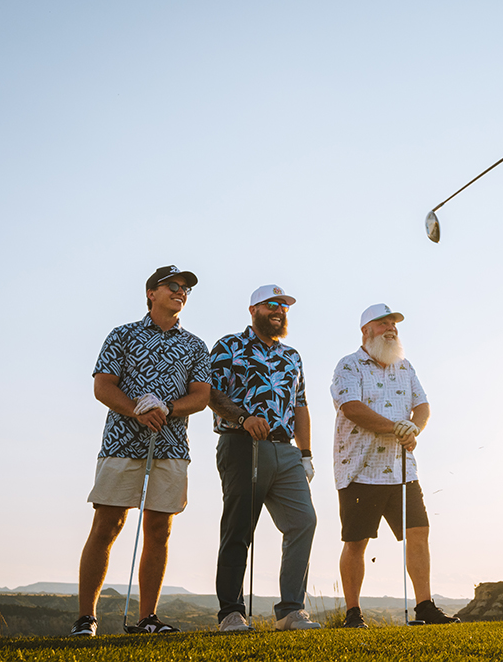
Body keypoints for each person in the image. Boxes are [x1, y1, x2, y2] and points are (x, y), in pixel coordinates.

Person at [71, 265, 211, 637]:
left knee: (159, 530)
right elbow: (103, 386)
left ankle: (148, 617)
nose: (180, 292)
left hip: (171, 448)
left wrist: (167, 408)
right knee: (107, 526)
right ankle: (87, 618)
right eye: (173, 286)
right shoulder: (122, 335)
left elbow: (201, 395)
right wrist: (137, 407)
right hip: (121, 443)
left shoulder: (195, 345)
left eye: (185, 289)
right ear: (151, 293)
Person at [329, 304, 460, 628]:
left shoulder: (405, 365)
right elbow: (352, 408)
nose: (391, 328)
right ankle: (353, 613)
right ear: (366, 331)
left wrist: (414, 427)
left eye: (394, 324)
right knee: (357, 542)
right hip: (359, 469)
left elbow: (423, 405)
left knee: (419, 531)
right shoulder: (349, 365)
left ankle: (425, 606)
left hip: (402, 470)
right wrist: (396, 427)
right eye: (383, 323)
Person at [208, 284, 320, 632]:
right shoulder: (229, 346)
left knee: (304, 521)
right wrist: (243, 417)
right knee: (239, 529)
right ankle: (231, 612)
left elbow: (300, 405)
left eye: (284, 306)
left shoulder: (292, 356)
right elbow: (209, 392)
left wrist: (306, 454)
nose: (279, 310)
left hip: (285, 450)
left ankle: (290, 610)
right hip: (241, 444)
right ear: (253, 309)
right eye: (272, 304)